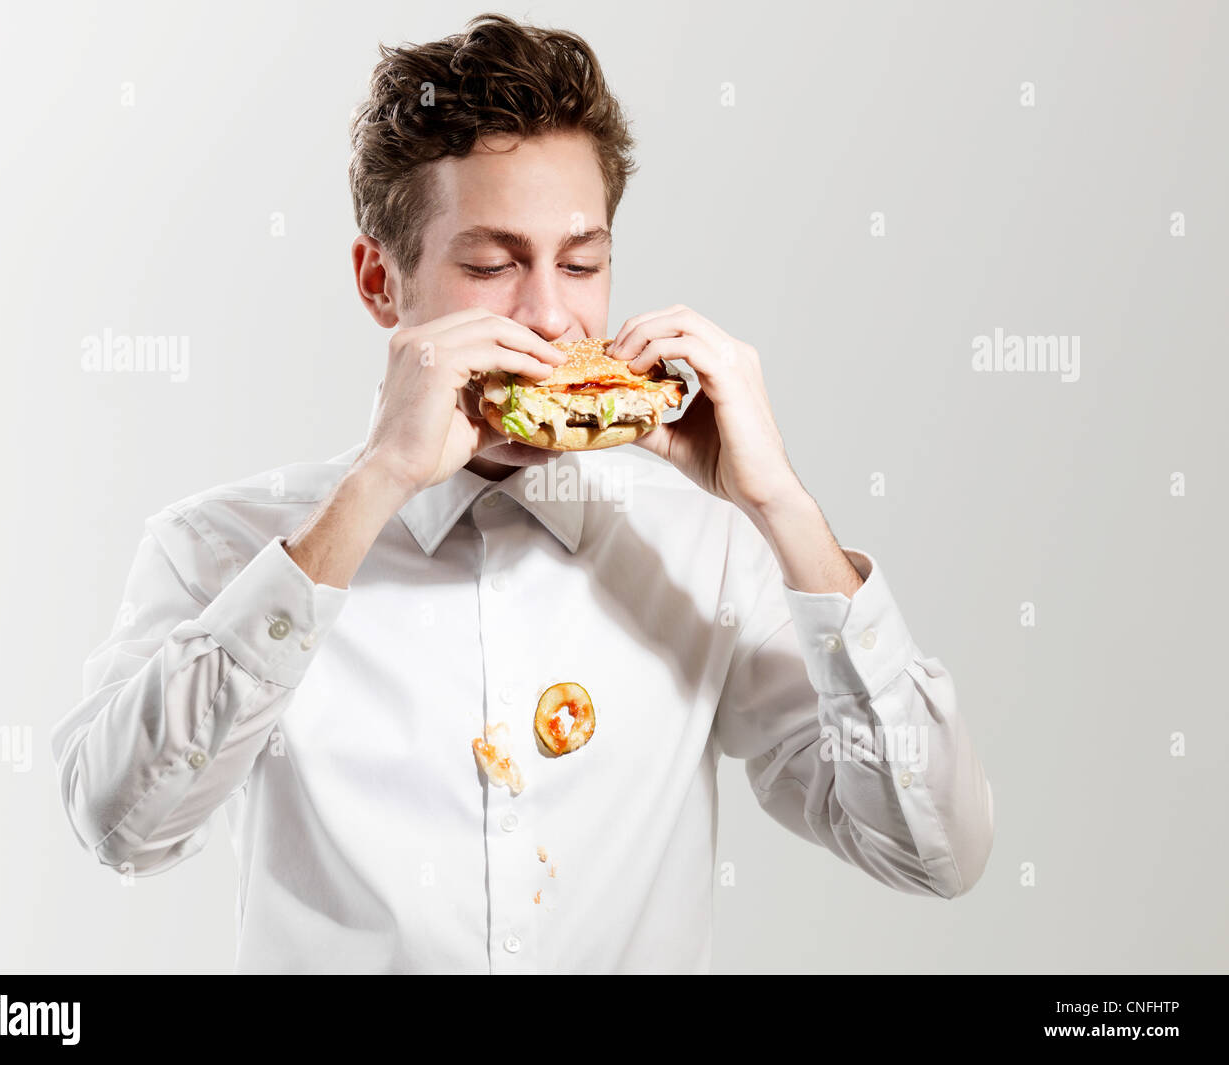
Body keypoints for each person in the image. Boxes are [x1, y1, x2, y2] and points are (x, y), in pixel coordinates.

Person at [52, 12, 994, 974]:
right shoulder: (219, 545)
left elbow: (934, 851)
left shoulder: (705, 546)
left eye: (582, 264)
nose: (550, 316)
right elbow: (121, 826)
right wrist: (375, 486)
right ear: (382, 281)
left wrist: (784, 507)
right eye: (493, 265)